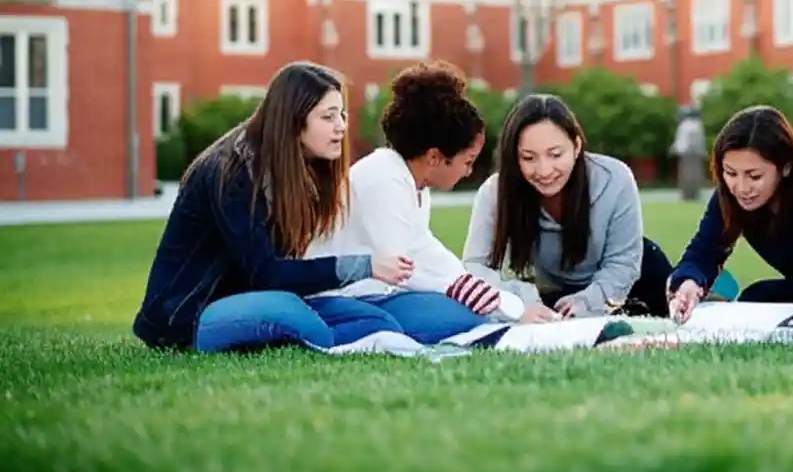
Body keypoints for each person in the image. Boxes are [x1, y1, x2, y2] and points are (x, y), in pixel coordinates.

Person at [133, 62, 415, 352]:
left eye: (342, 114)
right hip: (188, 317)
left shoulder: (293, 167)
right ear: (293, 120)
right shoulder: (230, 173)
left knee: (379, 323)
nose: (341, 126)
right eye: (328, 117)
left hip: (254, 298)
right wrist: (366, 265)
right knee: (313, 330)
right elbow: (267, 272)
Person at [304, 60, 519, 345]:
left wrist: (496, 301)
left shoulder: (413, 183)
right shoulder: (383, 176)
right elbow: (408, 262)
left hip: (374, 295)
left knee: (467, 315)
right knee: (441, 319)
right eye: (467, 162)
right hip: (335, 296)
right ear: (434, 158)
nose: (468, 171)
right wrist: (499, 304)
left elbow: (426, 247)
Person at [461, 94, 672, 319]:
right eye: (529, 158)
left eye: (555, 154)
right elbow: (474, 267)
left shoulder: (615, 178)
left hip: (635, 280)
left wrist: (588, 302)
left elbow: (623, 264)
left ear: (577, 146)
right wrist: (520, 299)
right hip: (558, 291)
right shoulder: (496, 192)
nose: (544, 171)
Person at [667, 105, 793, 323]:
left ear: (785, 167)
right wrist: (689, 283)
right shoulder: (730, 195)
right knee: (754, 299)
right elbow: (703, 252)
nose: (742, 187)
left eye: (754, 176)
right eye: (730, 173)